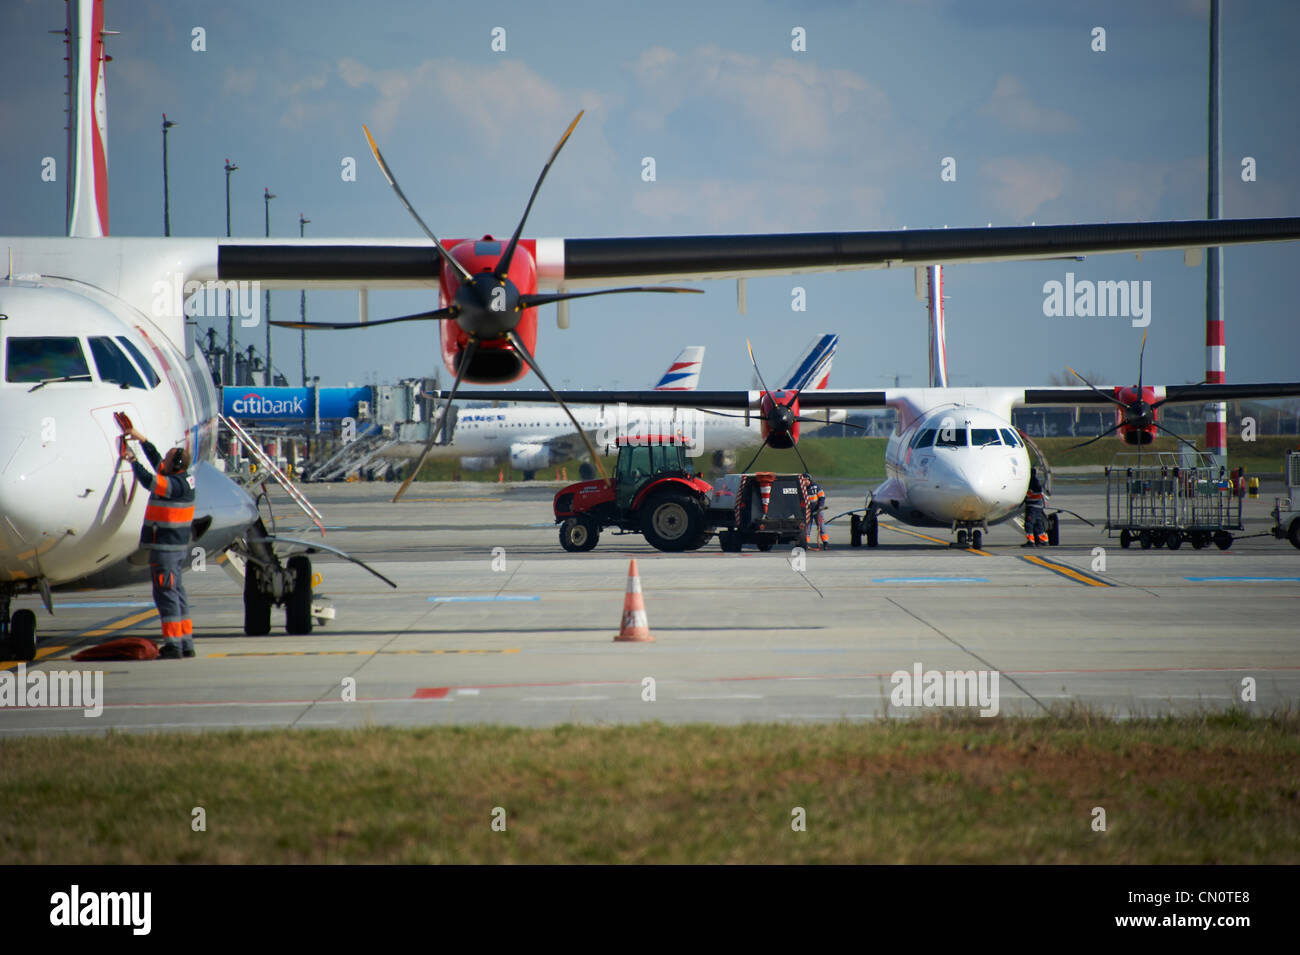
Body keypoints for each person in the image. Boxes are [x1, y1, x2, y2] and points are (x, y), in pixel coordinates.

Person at [120, 428, 196, 658]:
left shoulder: (174, 486)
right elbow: (157, 464)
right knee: (177, 594)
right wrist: (142, 440)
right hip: (175, 550)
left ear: (175, 465)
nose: (162, 461)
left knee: (166, 595)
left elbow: (148, 480)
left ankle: (173, 644)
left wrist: (132, 460)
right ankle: (186, 642)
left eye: (167, 458)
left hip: (166, 551)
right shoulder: (183, 478)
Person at [1023, 469, 1049, 547]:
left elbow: (1029, 493)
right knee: (1038, 523)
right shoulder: (1036, 481)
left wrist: (1023, 498)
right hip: (1038, 506)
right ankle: (1044, 540)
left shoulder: (1031, 482)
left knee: (1029, 523)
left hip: (1032, 506)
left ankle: (1030, 541)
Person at [805, 474, 829, 550]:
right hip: (808, 510)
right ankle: (806, 543)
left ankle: (825, 543)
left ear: (809, 480)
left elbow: (822, 497)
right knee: (807, 527)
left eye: (805, 480)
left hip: (817, 510)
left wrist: (820, 506)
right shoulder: (802, 488)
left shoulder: (816, 487)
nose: (804, 482)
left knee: (821, 526)